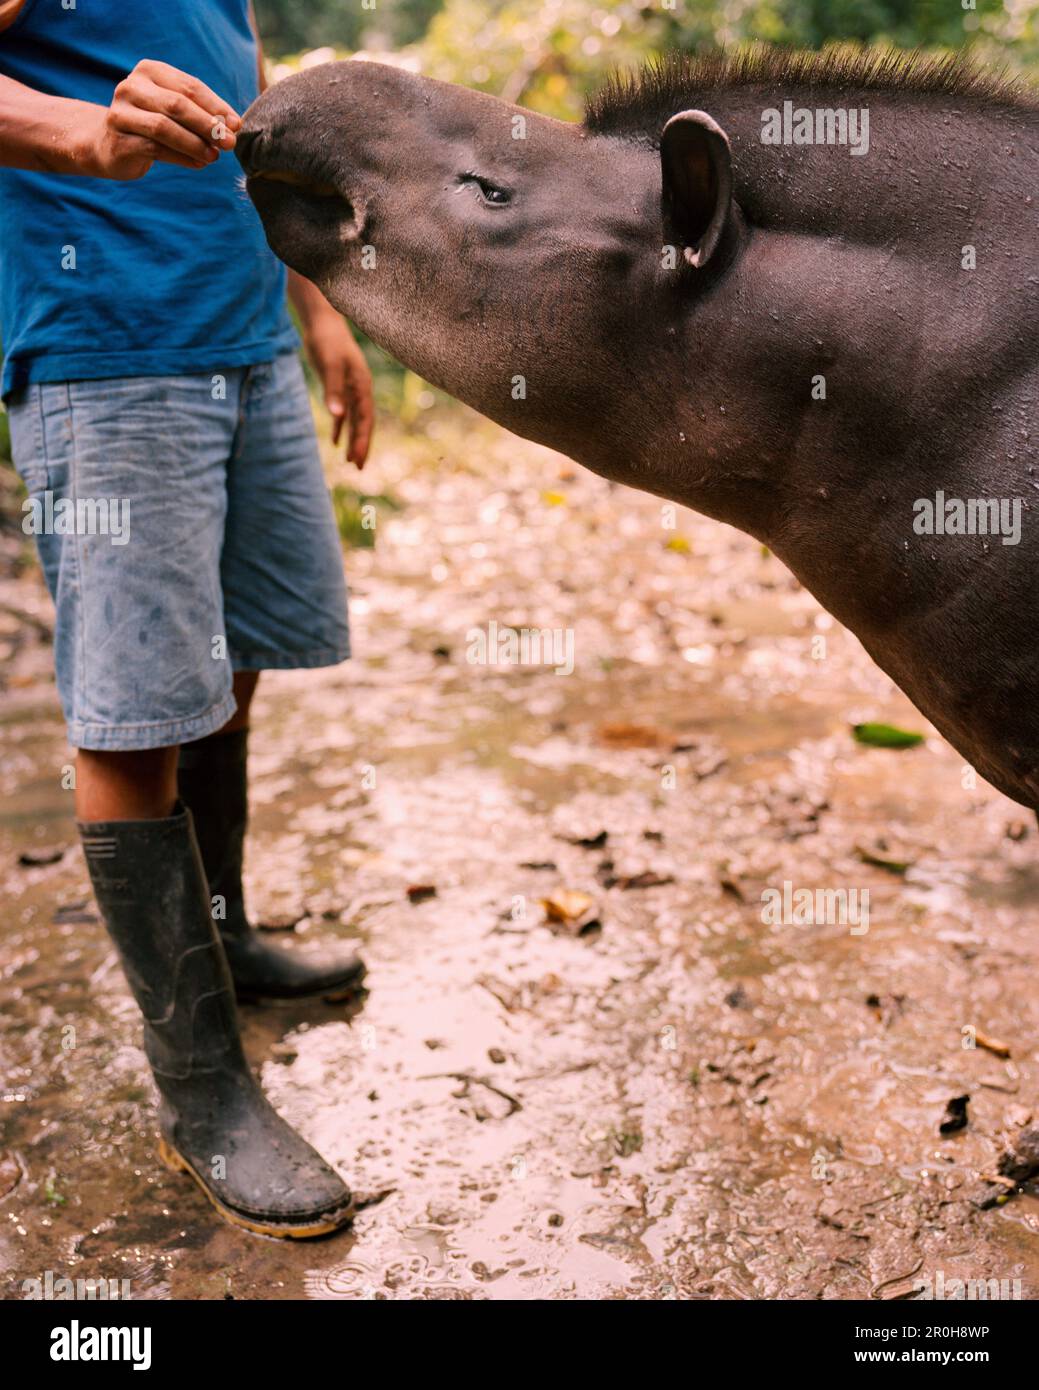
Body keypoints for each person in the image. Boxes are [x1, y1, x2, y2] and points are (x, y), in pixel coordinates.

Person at [0, 0, 373, 1237]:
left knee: (239, 654)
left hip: (245, 336)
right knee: (137, 710)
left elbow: (242, 102)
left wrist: (317, 310)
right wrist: (76, 134)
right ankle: (202, 1090)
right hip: (107, 348)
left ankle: (227, 933)